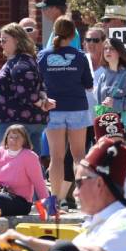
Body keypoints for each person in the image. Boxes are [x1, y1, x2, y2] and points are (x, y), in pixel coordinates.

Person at [37, 16, 94, 205]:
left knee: (56, 157)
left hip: (53, 108)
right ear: (73, 34)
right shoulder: (79, 56)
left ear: (55, 31)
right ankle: (83, 198)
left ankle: (56, 200)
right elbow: (89, 85)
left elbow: (37, 83)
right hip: (77, 107)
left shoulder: (43, 56)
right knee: (79, 155)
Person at [0, 23, 48, 149]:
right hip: (25, 121)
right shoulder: (25, 60)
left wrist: (40, 103)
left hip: (16, 124)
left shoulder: (19, 64)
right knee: (30, 165)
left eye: (5, 40)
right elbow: (40, 86)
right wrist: (43, 100)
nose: (1, 43)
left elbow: (26, 90)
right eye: (0, 40)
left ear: (17, 40)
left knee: (10, 166)